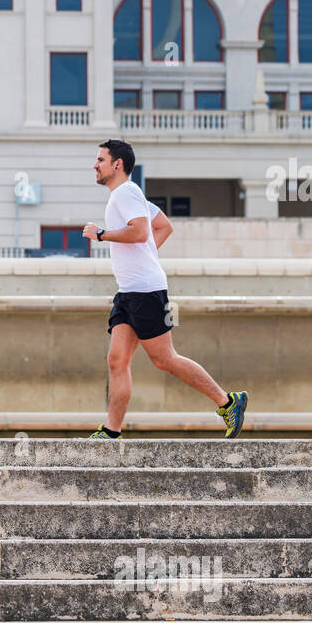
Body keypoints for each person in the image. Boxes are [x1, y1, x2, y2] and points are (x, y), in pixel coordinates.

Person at [82, 139, 248, 439]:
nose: (95, 165)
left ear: (117, 164)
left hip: (147, 293)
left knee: (165, 359)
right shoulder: (128, 196)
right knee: (117, 361)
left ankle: (228, 402)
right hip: (128, 292)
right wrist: (145, 256)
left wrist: (102, 234)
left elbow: (142, 231)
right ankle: (111, 431)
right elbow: (163, 226)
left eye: (100, 160)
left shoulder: (127, 193)